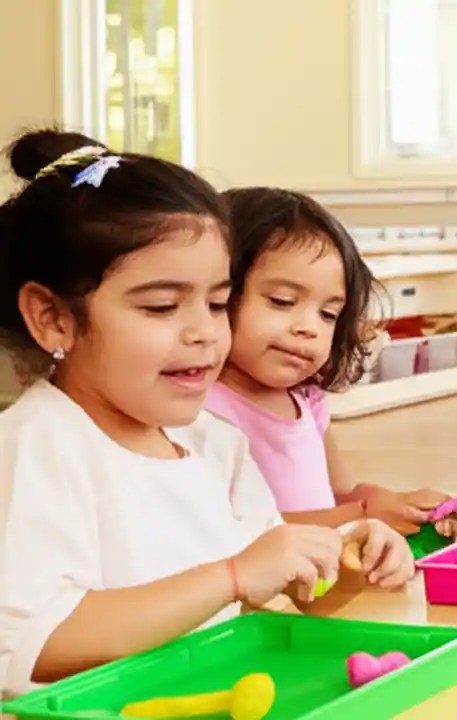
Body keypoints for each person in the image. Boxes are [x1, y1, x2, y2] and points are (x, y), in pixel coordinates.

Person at [0, 131, 413, 696]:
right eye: (162, 306)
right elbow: (35, 645)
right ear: (52, 318)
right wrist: (232, 576)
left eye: (217, 303)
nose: (204, 333)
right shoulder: (38, 445)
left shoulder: (213, 443)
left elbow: (291, 588)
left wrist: (347, 556)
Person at [205, 187, 457, 538]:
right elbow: (240, 528)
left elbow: (337, 497)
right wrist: (362, 515)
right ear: (218, 293)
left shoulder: (307, 400)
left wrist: (398, 506)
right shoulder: (203, 410)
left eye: (328, 314)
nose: (308, 327)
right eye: (282, 301)